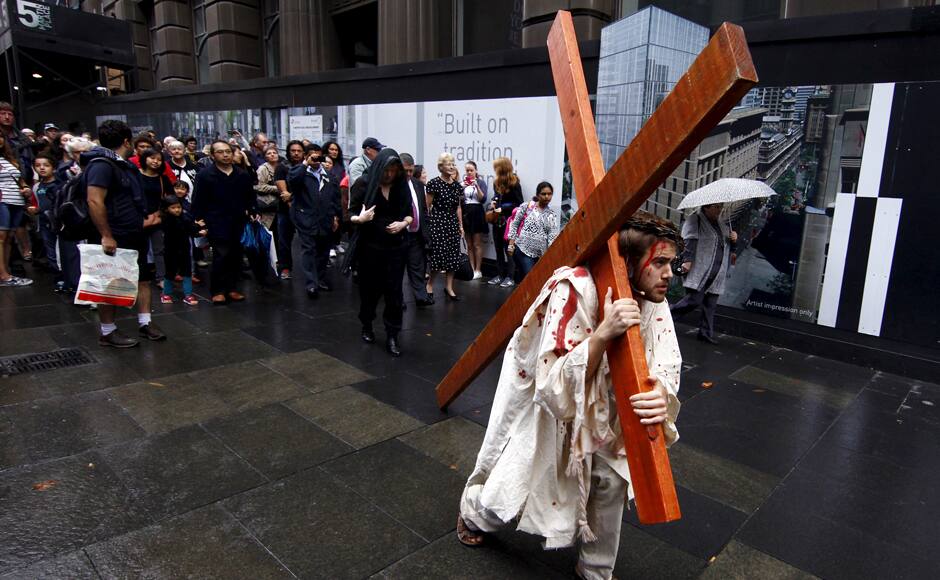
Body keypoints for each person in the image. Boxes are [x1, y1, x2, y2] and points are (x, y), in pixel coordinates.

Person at [456, 211, 684, 580]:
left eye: (671, 263)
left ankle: (595, 570)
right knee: (521, 478)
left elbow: (666, 360)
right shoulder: (575, 287)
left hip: (611, 415)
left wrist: (659, 392)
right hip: (554, 418)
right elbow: (551, 383)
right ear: (627, 260)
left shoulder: (654, 299)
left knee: (610, 483)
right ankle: (474, 512)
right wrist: (603, 333)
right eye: (660, 262)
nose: (669, 273)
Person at [85, 119, 166, 346]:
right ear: (126, 141)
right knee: (109, 281)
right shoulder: (101, 165)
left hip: (133, 232)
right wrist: (106, 235)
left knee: (143, 278)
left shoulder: (122, 164)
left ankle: (145, 322)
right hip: (114, 234)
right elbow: (94, 200)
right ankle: (108, 331)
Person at [348, 148, 412, 357]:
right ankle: (367, 324)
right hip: (370, 248)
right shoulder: (364, 184)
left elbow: (409, 214)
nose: (390, 175)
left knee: (394, 294)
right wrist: (360, 219)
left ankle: (392, 335)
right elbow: (348, 212)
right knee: (370, 292)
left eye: (394, 171)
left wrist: (403, 223)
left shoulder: (400, 187)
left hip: (395, 248)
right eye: (387, 170)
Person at [192, 140, 256, 304]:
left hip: (238, 220)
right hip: (216, 221)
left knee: (236, 255)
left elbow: (249, 197)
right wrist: (199, 222)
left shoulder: (241, 174)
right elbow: (198, 200)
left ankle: (233, 288)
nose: (225, 155)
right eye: (220, 152)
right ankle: (218, 290)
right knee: (221, 255)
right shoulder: (205, 175)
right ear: (213, 155)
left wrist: (252, 210)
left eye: (228, 151)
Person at [670, 203, 737, 344]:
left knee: (710, 305)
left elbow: (728, 247)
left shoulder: (722, 225)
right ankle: (668, 316)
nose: (719, 210)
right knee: (694, 300)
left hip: (717, 272)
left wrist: (734, 239)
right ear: (706, 207)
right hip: (700, 270)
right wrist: (687, 260)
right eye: (716, 207)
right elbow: (688, 240)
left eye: (720, 207)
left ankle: (705, 333)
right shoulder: (695, 220)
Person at [287, 144, 341, 299]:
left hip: (325, 219)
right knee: (308, 250)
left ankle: (321, 278)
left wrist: (336, 217)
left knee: (323, 251)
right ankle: (311, 283)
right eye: (312, 155)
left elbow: (335, 198)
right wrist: (305, 164)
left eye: (318, 156)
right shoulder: (300, 172)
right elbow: (293, 181)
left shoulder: (329, 176)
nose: (316, 159)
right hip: (306, 219)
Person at [425, 152, 464, 301]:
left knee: (453, 257)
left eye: (453, 164)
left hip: (452, 222)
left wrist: (461, 225)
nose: (452, 166)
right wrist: (428, 225)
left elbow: (458, 207)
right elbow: (427, 206)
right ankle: (430, 284)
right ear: (441, 167)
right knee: (438, 255)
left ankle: (449, 287)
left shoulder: (456, 186)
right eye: (449, 164)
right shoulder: (434, 183)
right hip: (438, 222)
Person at [0, 131, 34, 287]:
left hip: (16, 201)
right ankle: (4, 275)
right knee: (1, 238)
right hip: (2, 201)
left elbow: (20, 180)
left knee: (8, 239)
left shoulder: (9, 159)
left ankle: (5, 273)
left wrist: (26, 188)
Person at [399, 153, 432, 307]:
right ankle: (398, 299)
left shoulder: (418, 185)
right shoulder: (393, 186)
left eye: (411, 170)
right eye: (405, 170)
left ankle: (421, 296)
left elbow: (423, 209)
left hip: (416, 234)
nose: (409, 174)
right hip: (399, 235)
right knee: (397, 269)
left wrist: (426, 230)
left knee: (417, 266)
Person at [160, 195, 206, 306]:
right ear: (167, 209)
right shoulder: (167, 220)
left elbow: (189, 229)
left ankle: (188, 294)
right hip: (171, 250)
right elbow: (188, 228)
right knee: (170, 272)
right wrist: (197, 228)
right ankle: (166, 293)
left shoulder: (184, 218)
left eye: (178, 207)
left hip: (184, 249)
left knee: (187, 272)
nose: (177, 210)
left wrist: (197, 230)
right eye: (173, 208)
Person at [507, 181, 559, 279]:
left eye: (549, 194)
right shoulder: (527, 206)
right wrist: (511, 244)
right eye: (543, 194)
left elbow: (552, 235)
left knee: (528, 281)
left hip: (540, 255)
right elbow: (514, 224)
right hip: (523, 249)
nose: (547, 196)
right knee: (531, 278)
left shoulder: (552, 215)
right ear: (537, 195)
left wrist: (550, 255)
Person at [31, 154, 66, 291]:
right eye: (38, 166)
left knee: (60, 250)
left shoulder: (59, 184)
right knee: (50, 250)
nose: (42, 168)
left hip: (58, 222)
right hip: (44, 222)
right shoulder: (36, 186)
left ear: (53, 167)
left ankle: (65, 275)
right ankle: (58, 276)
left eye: (46, 165)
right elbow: (36, 202)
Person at [138, 148, 174, 283]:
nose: (156, 162)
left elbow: (170, 198)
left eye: (159, 159)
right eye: (152, 158)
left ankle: (161, 278)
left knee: (159, 249)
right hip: (139, 217)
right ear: (144, 159)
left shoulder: (162, 178)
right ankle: (140, 277)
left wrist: (160, 212)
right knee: (139, 250)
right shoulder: (136, 175)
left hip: (157, 217)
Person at [488, 157, 524, 288]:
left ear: (502, 168)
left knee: (508, 250)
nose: (495, 170)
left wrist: (504, 208)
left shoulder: (514, 183)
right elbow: (497, 197)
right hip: (497, 220)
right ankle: (500, 275)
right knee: (498, 249)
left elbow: (519, 203)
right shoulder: (496, 182)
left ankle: (510, 277)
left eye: (496, 167)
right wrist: (494, 201)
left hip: (509, 222)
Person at [273, 139, 305, 279]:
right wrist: (292, 200)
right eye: (293, 151)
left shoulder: (307, 167)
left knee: (308, 240)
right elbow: (284, 193)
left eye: (299, 151)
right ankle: (285, 268)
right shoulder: (282, 167)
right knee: (284, 240)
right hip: (286, 210)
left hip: (305, 209)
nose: (296, 153)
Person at [461, 161, 488, 279]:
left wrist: (476, 185)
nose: (469, 172)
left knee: (477, 244)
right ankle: (472, 269)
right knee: (469, 245)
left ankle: (478, 269)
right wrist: (461, 188)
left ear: (476, 170)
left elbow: (483, 199)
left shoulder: (481, 182)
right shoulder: (463, 183)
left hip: (477, 212)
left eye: (471, 170)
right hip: (466, 212)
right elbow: (459, 200)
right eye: (467, 170)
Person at [254, 144, 280, 230]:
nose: (272, 155)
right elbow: (258, 186)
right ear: (265, 156)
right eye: (269, 153)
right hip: (268, 205)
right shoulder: (262, 169)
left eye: (274, 153)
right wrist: (277, 188)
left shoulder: (281, 167)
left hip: (280, 206)